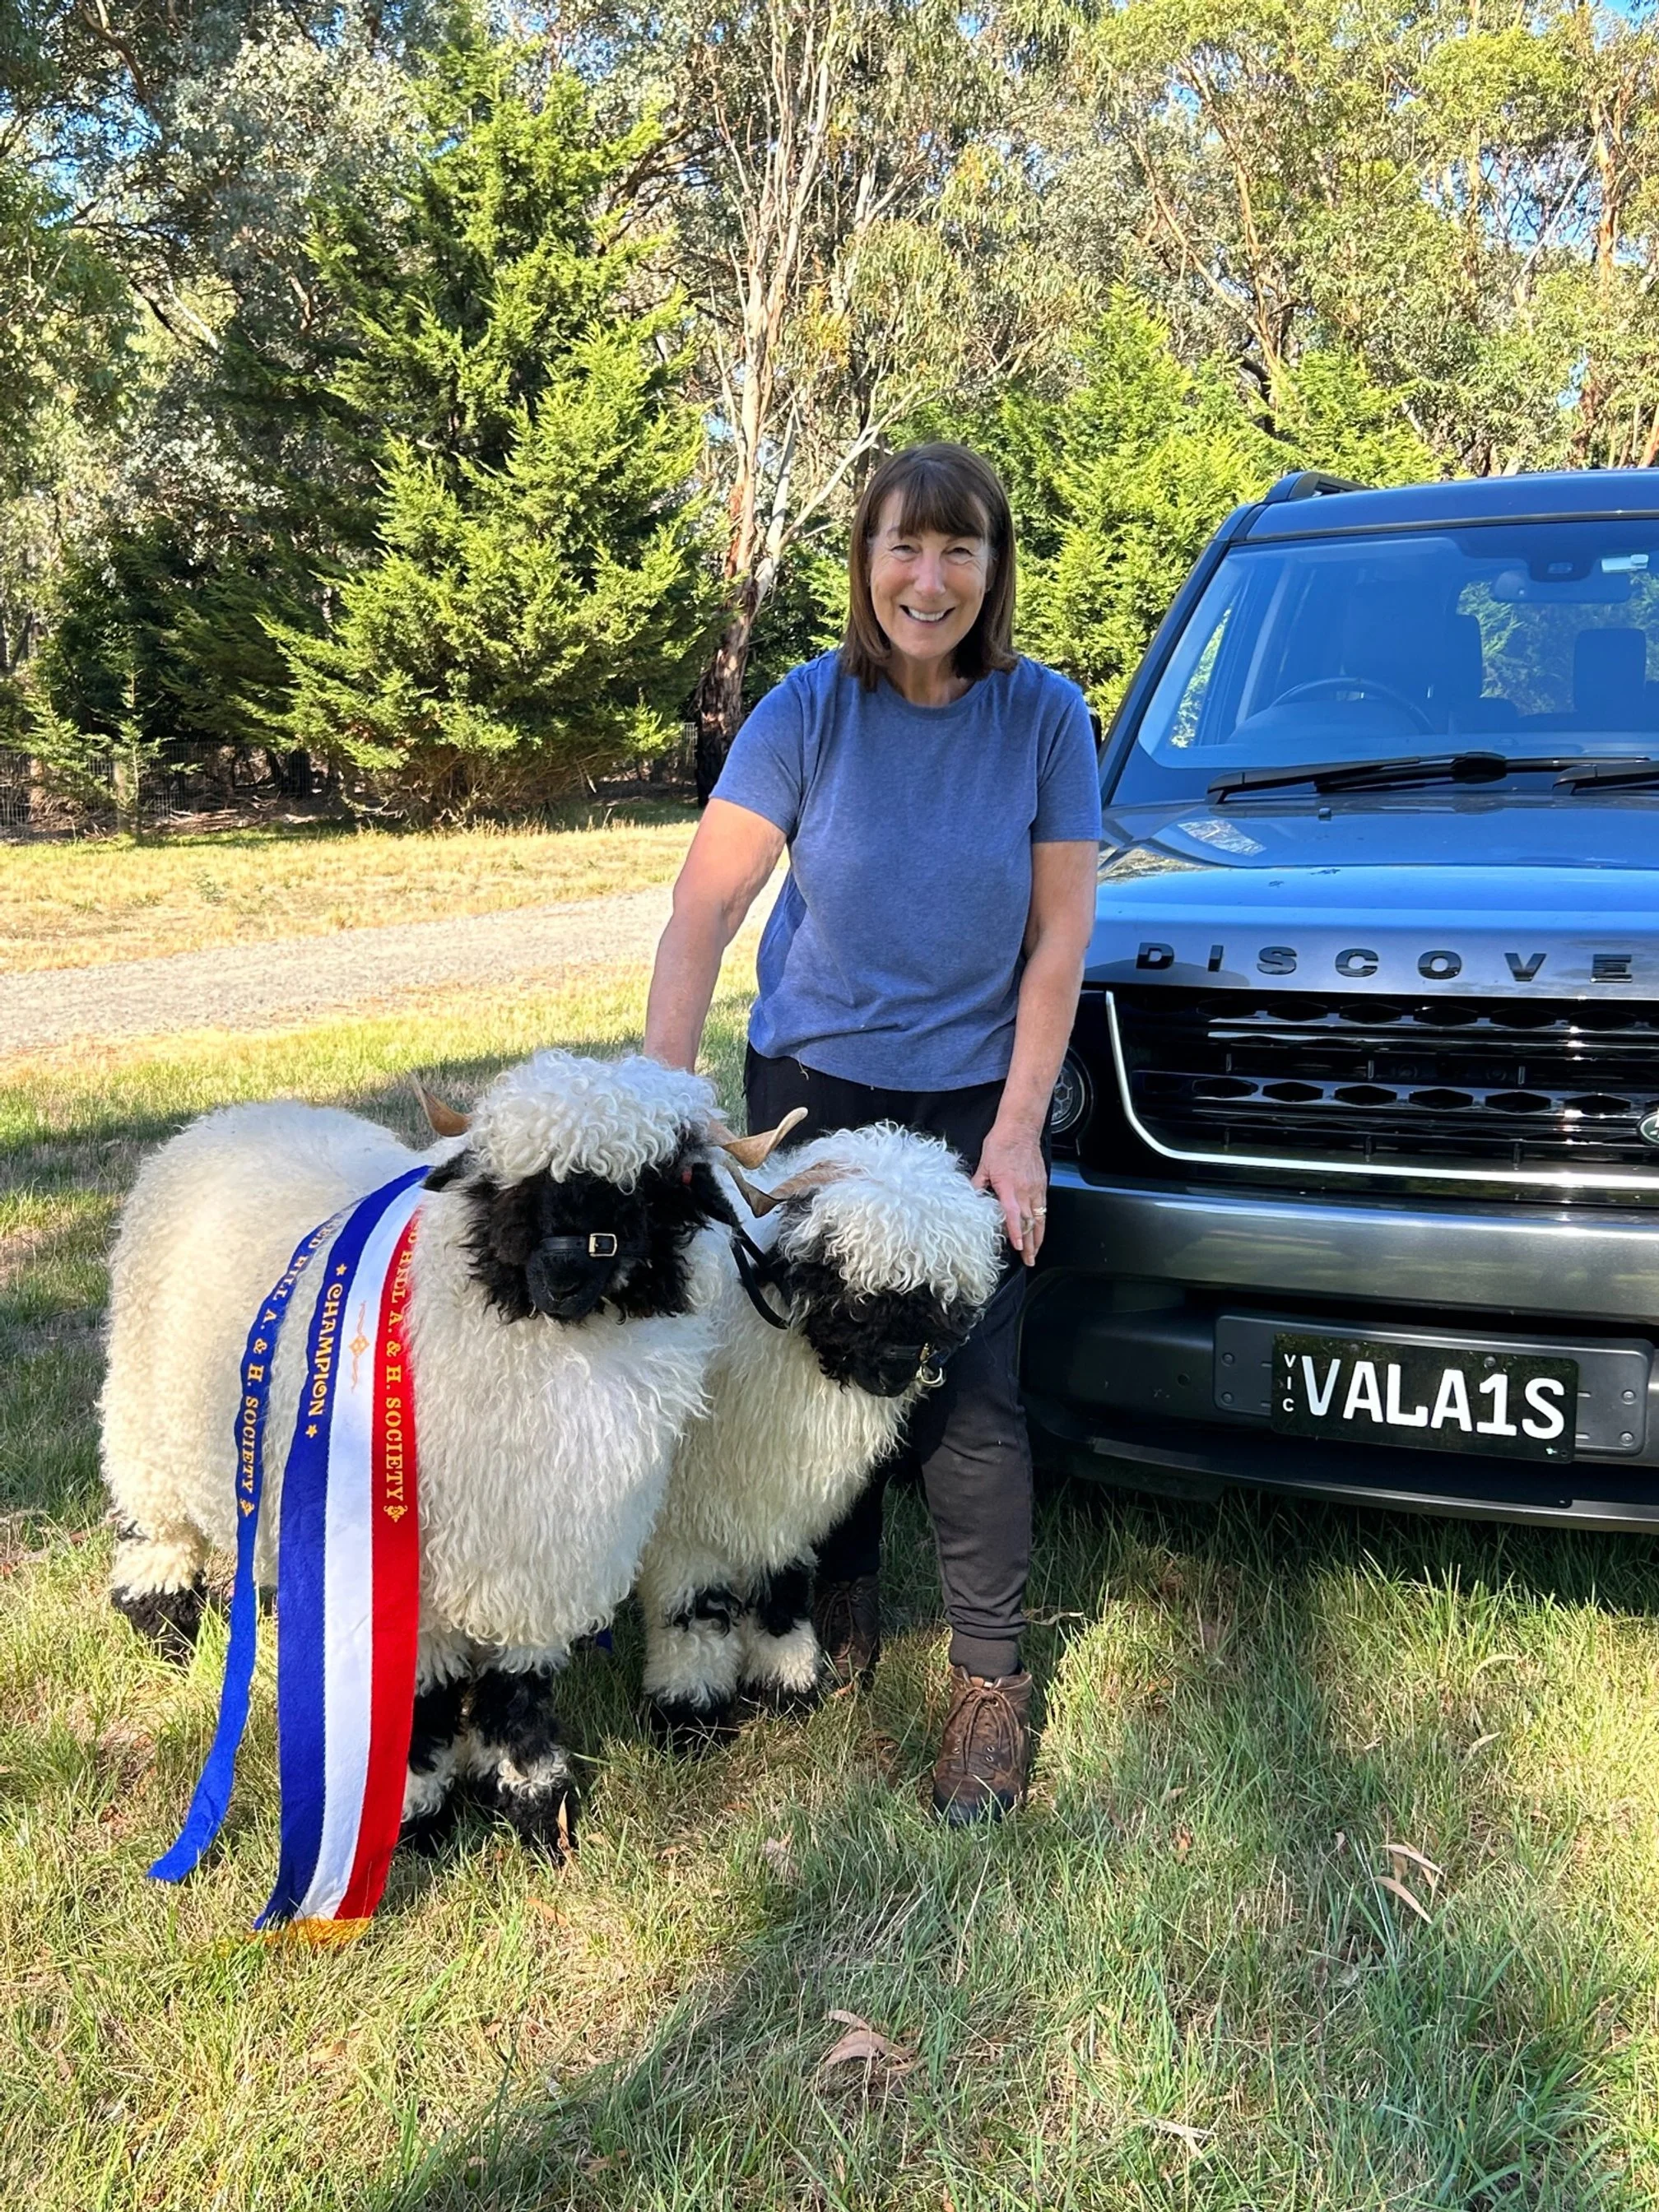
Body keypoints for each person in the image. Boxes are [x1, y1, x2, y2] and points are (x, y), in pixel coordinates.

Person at [644, 440, 1100, 1822]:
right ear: (865, 561)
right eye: (905, 544)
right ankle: (830, 1603)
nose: (930, 576)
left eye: (961, 548)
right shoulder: (805, 709)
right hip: (811, 1098)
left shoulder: (1044, 719)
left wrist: (1017, 1133)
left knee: (968, 1398)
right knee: (810, 1373)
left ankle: (988, 1686)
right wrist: (670, 1098)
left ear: (993, 569)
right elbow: (704, 909)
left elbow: (1059, 941)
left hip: (968, 1107)